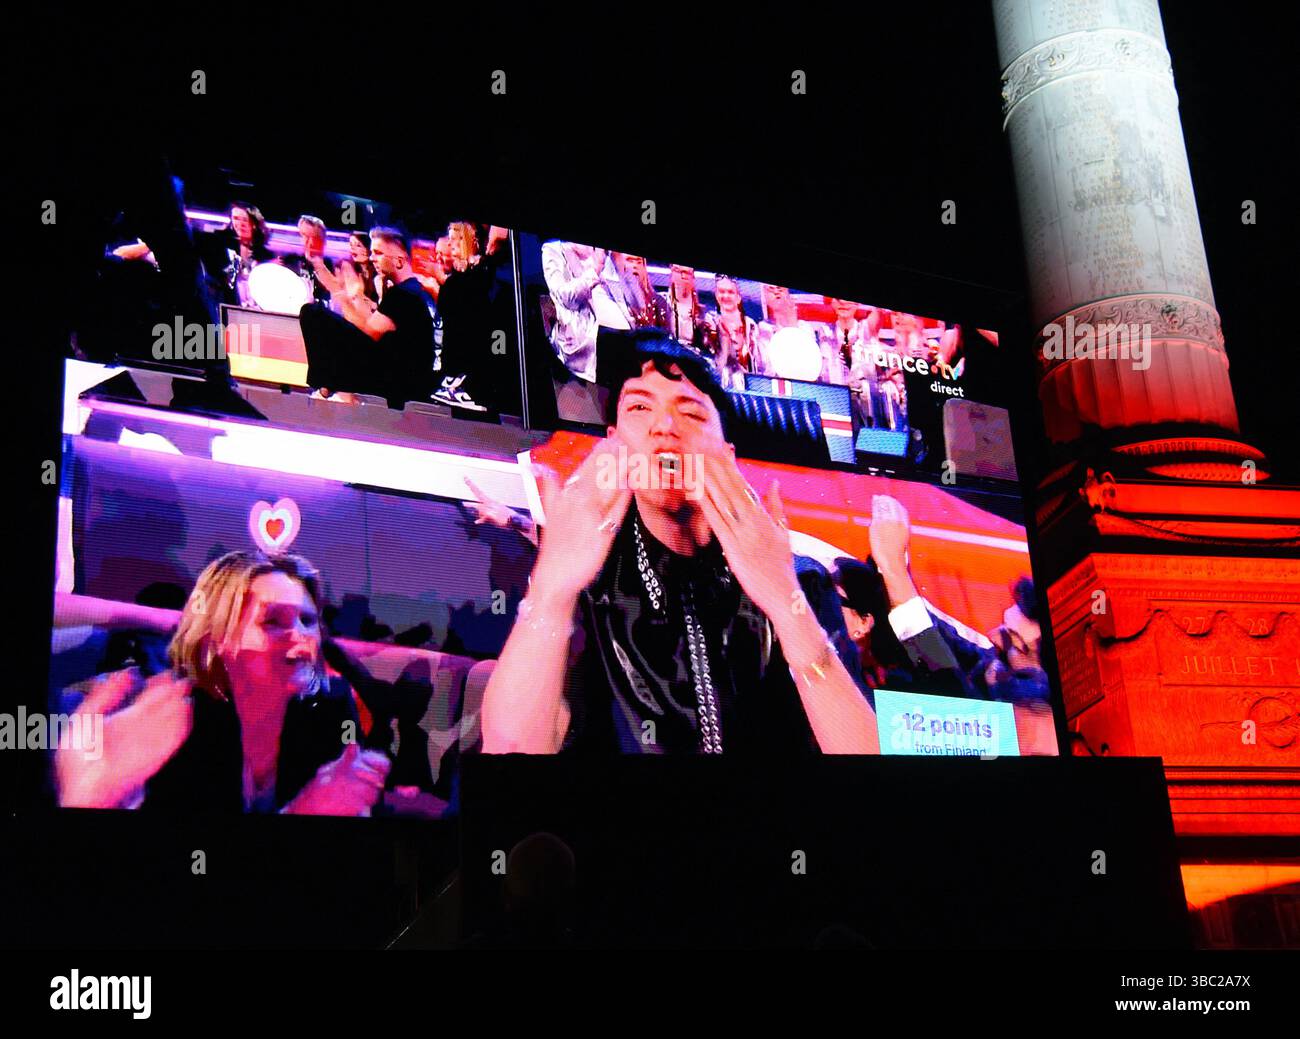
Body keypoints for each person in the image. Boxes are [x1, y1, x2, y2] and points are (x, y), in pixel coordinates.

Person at [480, 332, 880, 755]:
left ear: (727, 455)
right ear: (613, 443)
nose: (665, 426)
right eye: (639, 407)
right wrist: (550, 592)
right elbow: (511, 750)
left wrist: (785, 603)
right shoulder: (587, 580)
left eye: (690, 413)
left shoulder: (801, 579)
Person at [53, 551, 391, 816]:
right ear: (217, 639)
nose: (301, 636)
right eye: (274, 620)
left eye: (307, 620)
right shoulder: (168, 720)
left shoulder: (332, 709)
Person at [833, 498, 994, 700]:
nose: (996, 636)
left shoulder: (892, 691)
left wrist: (894, 567)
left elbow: (949, 687)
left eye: (833, 597)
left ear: (864, 622)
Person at [299, 226, 435, 407]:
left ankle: (326, 387)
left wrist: (340, 294)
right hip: (402, 373)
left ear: (399, 261)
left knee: (312, 314)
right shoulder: (413, 289)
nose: (372, 258)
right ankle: (327, 386)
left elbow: (367, 333)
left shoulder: (403, 295)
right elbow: (368, 326)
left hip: (396, 381)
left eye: (378, 253)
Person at [432, 221, 510, 411]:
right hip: (456, 365)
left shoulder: (486, 277)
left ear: (471, 240)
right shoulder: (455, 281)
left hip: (482, 371)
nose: (449, 245)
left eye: (454, 239)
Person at [540, 240, 634, 382]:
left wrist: (624, 268)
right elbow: (566, 298)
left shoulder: (604, 252)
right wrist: (595, 269)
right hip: (589, 333)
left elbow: (632, 298)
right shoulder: (553, 249)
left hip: (624, 328)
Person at [704, 273, 763, 389]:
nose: (726, 296)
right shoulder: (711, 320)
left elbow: (757, 362)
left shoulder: (750, 324)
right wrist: (725, 339)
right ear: (716, 295)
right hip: (721, 382)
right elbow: (715, 363)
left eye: (730, 292)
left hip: (751, 384)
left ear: (738, 297)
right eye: (722, 291)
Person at [661, 263, 708, 353]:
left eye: (687, 272)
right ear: (671, 273)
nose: (683, 276)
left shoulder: (702, 313)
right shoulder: (661, 303)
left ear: (693, 277)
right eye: (677, 271)